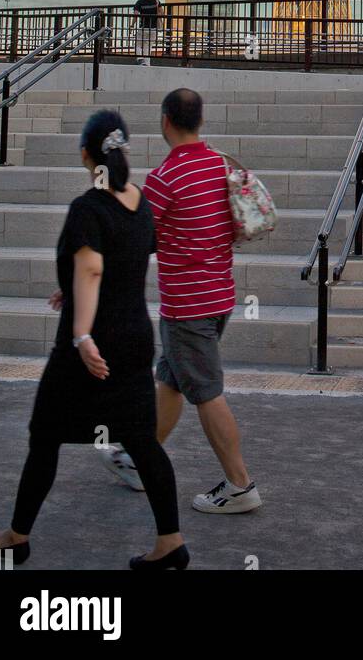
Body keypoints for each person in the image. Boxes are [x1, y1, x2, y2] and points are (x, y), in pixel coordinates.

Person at [0, 110, 188, 569]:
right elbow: (117, 260)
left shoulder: (88, 206)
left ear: (86, 154)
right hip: (135, 337)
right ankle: (171, 542)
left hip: (92, 346)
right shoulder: (139, 200)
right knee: (143, 444)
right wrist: (69, 285)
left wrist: (82, 335)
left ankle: (15, 538)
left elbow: (93, 268)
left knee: (44, 436)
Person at [100, 88, 261, 515]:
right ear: (200, 121)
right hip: (219, 295)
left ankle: (240, 484)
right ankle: (139, 458)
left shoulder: (165, 177)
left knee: (206, 392)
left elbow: (137, 237)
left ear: (166, 120)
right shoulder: (219, 164)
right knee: (171, 380)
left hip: (188, 304)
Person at [133, 0, 160, 66]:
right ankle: (147, 64)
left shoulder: (139, 2)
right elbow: (161, 13)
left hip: (143, 27)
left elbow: (135, 15)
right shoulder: (156, 1)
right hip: (153, 28)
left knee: (137, 44)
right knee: (148, 47)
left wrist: (131, 25)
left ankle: (140, 59)